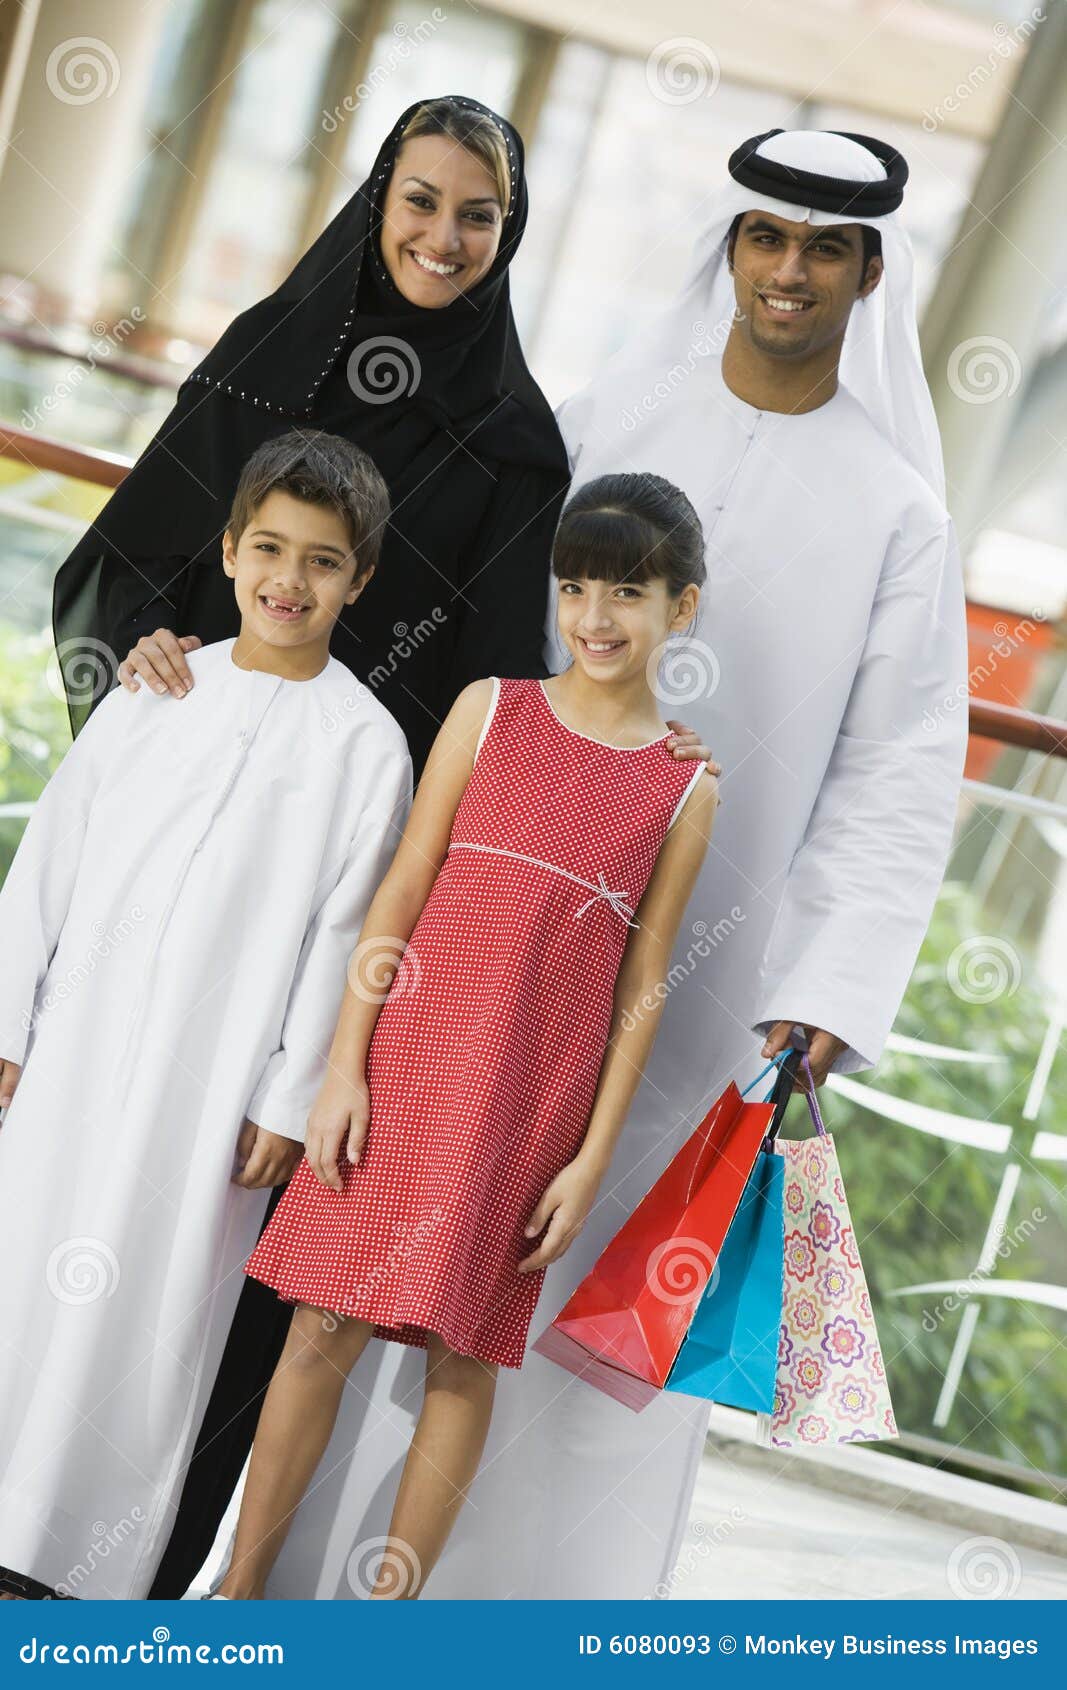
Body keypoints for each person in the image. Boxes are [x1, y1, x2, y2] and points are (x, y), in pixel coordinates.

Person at [259, 127, 969, 1603]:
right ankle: (296, 1611)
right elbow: (462, 629)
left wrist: (827, 983)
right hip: (477, 959)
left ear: (865, 270)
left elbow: (897, 772)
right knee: (374, 1292)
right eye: (765, 236)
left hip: (712, 999)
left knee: (586, 1334)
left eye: (822, 248)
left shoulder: (899, 511)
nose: (787, 270)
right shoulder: (600, 414)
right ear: (729, 245)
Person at [40, 94, 716, 1600]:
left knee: (249, 1213)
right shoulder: (264, 353)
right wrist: (150, 672)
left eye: (477, 216)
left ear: (508, 236)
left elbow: (485, 706)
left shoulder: (514, 442)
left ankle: (159, 1576)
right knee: (88, 1173)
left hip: (344, 871)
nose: (441, 237)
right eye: (419, 201)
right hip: (176, 832)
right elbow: (125, 561)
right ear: (377, 196)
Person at [194, 471, 718, 1600]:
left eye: (625, 591)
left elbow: (644, 981)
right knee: (317, 1324)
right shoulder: (491, 709)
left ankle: (385, 1621)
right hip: (402, 1068)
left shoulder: (683, 790)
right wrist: (343, 1067)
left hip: (529, 1100)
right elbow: (402, 887)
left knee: (463, 1354)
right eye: (573, 586)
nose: (592, 617)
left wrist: (588, 1158)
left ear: (680, 608)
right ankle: (238, 1594)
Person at [0, 430, 412, 1600]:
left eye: (323, 561)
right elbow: (50, 862)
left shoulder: (364, 747)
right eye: (269, 549)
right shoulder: (156, 689)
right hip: (70, 1048)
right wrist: (8, 1020)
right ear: (228, 552)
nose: (290, 581)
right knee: (18, 1265)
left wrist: (288, 1092)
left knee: (154, 1309)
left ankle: (75, 1573)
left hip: (214, 1089)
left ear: (360, 579)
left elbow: (342, 934)